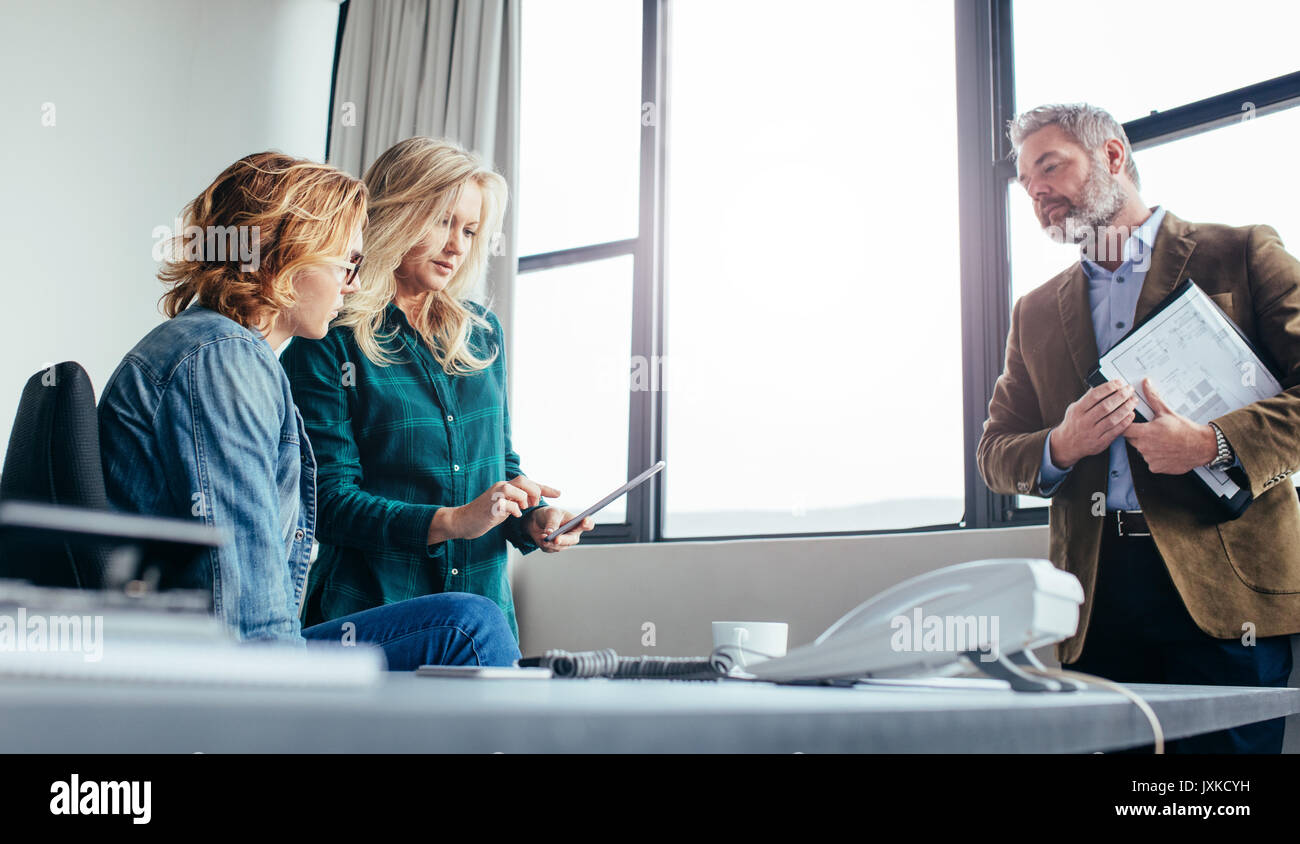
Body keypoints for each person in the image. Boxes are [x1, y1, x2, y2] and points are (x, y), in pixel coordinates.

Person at [98, 152, 519, 669]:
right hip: (211, 664)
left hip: (202, 647)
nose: (355, 284)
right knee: (466, 625)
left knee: (469, 621)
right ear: (287, 255)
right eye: (347, 263)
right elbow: (245, 610)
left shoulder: (230, 354)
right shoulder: (224, 359)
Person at [978, 103, 1300, 753]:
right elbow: (994, 452)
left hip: (1225, 588)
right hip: (1098, 602)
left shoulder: (1240, 251)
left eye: (1051, 167)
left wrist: (1213, 444)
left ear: (1113, 156)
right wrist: (1059, 445)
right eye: (1027, 185)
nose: (1038, 193)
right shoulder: (1034, 312)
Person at [281, 137, 593, 640]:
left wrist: (532, 519)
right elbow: (328, 504)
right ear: (396, 215)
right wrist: (450, 521)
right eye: (443, 221)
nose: (457, 245)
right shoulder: (326, 340)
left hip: (483, 611)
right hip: (368, 618)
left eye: (469, 230)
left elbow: (498, 465)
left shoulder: (482, 334)